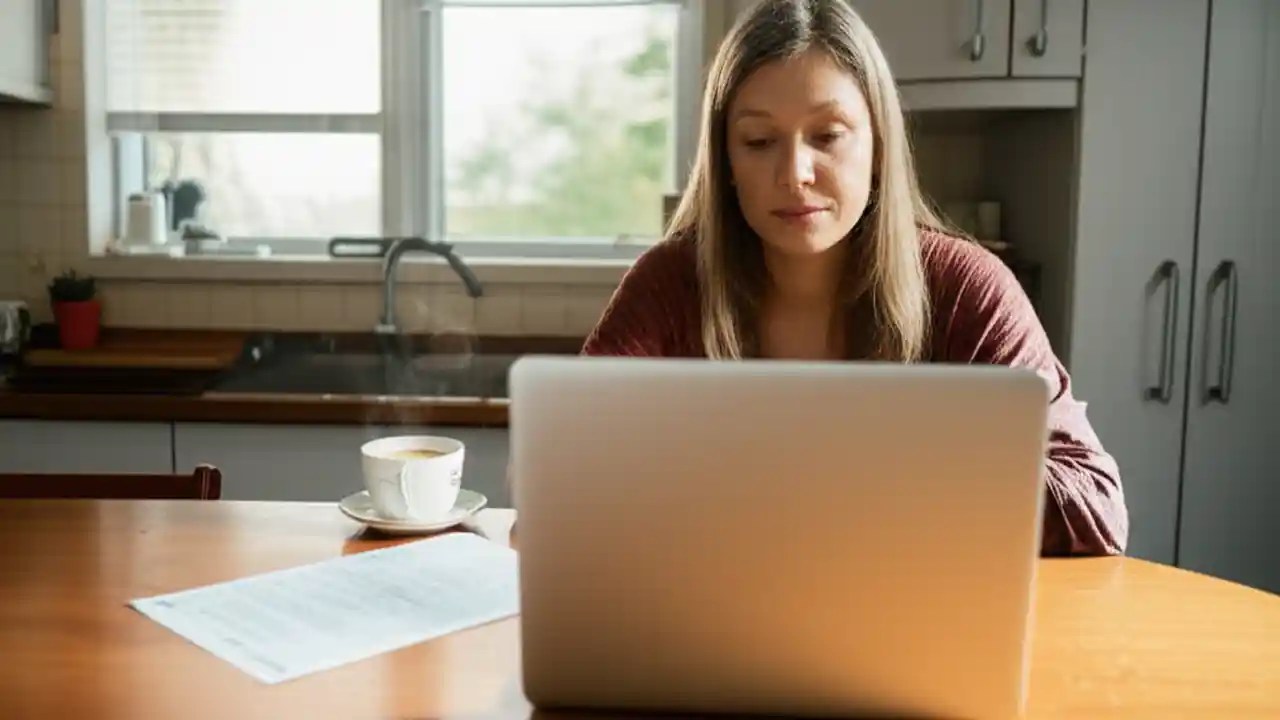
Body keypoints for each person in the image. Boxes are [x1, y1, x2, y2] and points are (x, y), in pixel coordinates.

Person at [581, 0, 1128, 556]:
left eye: (827, 135)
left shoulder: (966, 287)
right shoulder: (669, 283)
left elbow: (1095, 506)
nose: (794, 173)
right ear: (725, 163)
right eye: (759, 141)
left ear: (877, 147)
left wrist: (892, 480)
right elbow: (568, 465)